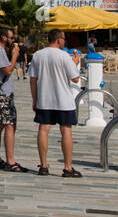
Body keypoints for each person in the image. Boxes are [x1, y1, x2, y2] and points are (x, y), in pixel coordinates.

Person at [29, 28, 83, 176]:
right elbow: (75, 78)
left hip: (45, 99)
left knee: (43, 130)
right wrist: (76, 63)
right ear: (59, 39)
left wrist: (35, 99)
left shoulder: (38, 55)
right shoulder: (64, 56)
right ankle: (68, 167)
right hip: (63, 100)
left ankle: (44, 165)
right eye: (64, 38)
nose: (64, 41)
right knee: (66, 130)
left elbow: (33, 80)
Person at [0, 29, 26, 172]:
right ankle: (10, 161)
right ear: (3, 37)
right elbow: (8, 70)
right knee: (9, 125)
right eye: (10, 37)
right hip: (3, 93)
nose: (13, 39)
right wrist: (15, 55)